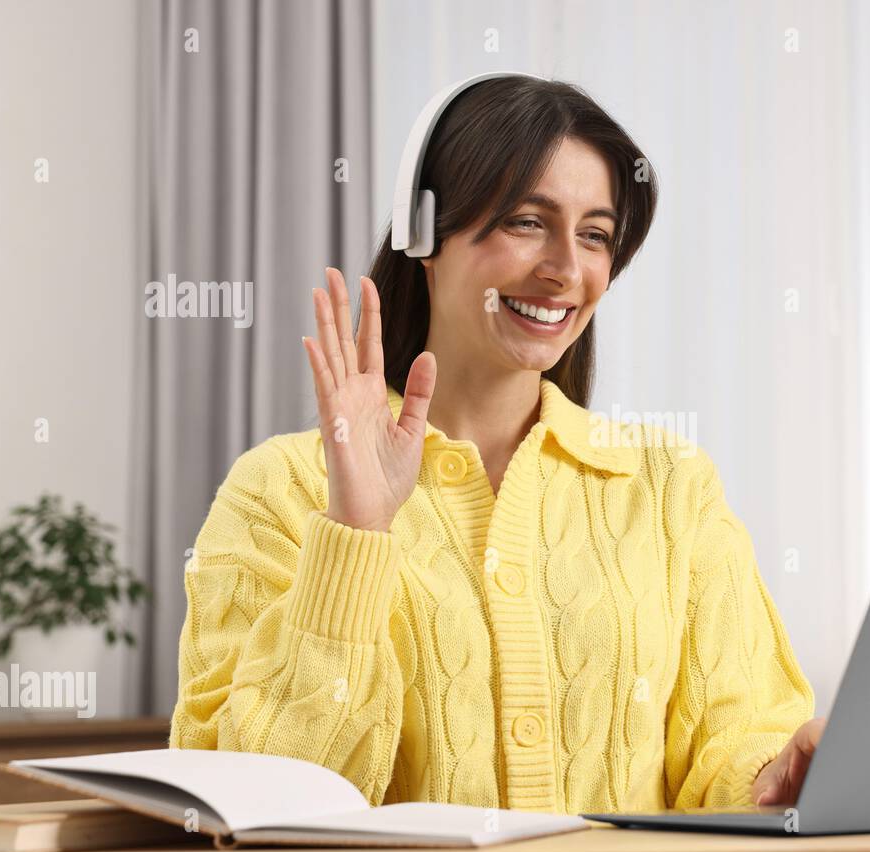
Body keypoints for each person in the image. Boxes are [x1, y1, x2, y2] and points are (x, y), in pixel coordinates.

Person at [169, 75, 820, 814]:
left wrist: (778, 777)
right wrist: (356, 532)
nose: (566, 269)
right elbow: (250, 803)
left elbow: (736, 739)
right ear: (423, 232)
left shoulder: (672, 488)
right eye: (526, 222)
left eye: (595, 235)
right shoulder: (277, 492)